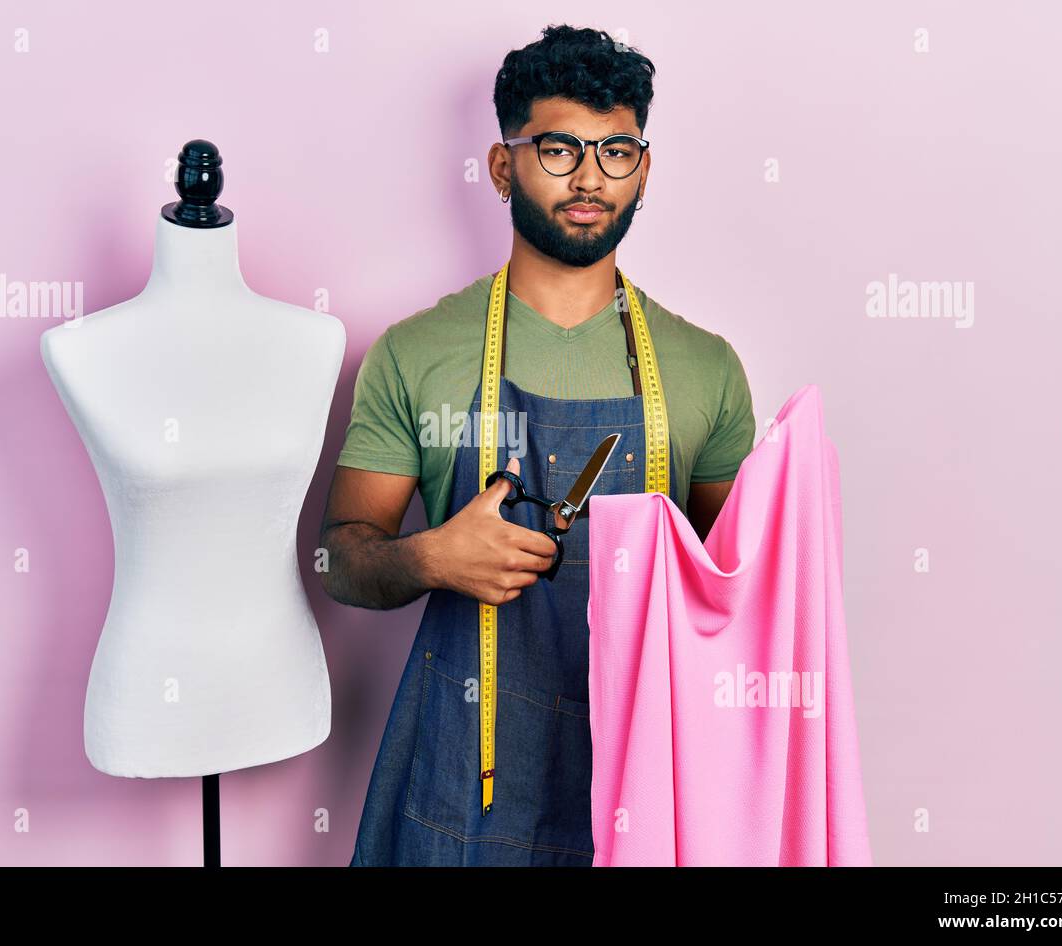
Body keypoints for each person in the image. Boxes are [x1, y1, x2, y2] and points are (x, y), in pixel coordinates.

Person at [320, 24, 756, 866]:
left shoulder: (706, 369)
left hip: (648, 782)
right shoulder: (416, 351)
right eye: (558, 149)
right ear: (501, 165)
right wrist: (432, 559)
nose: (591, 177)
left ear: (644, 168)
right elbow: (335, 563)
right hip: (464, 775)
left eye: (617, 151)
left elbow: (743, 599)